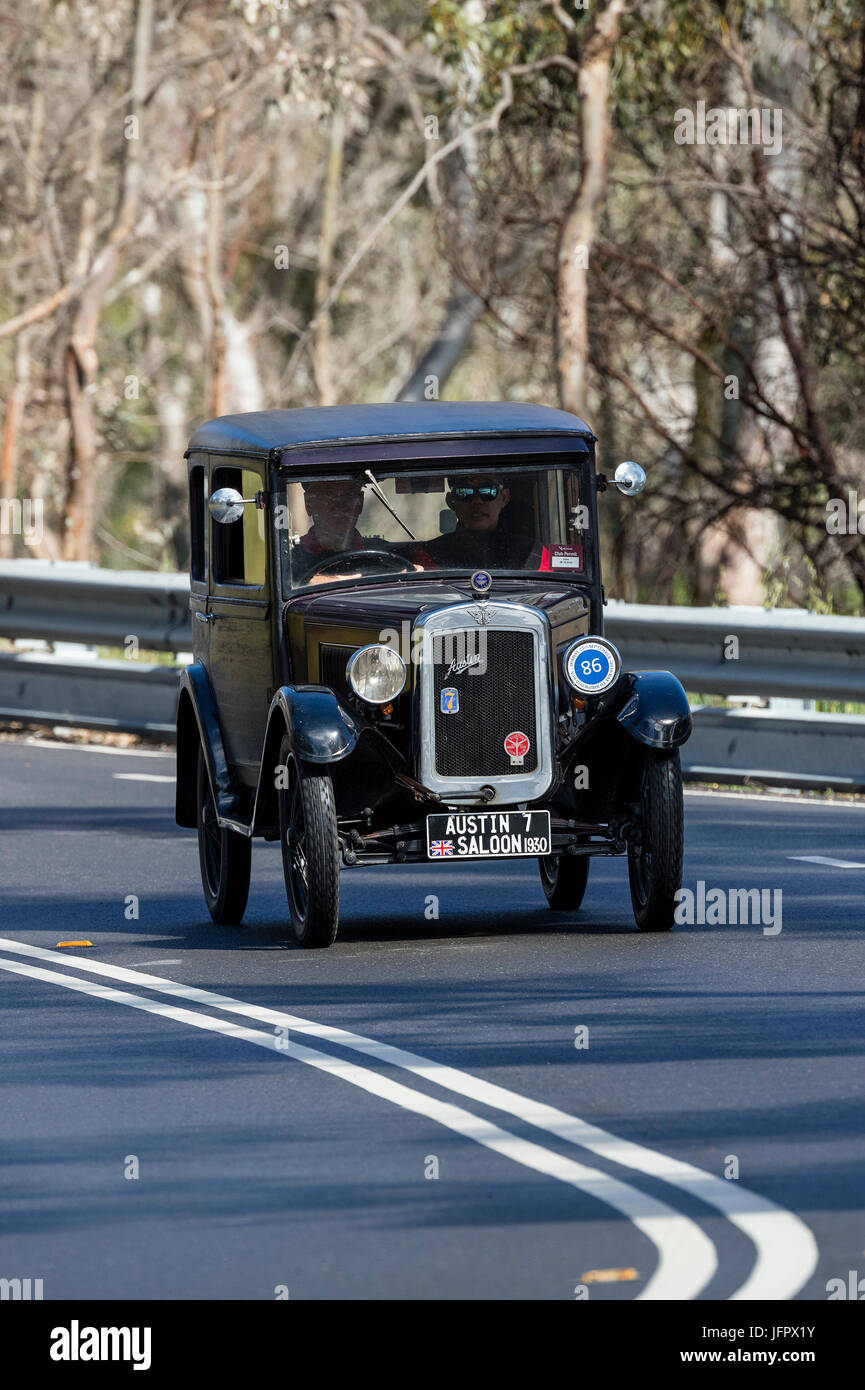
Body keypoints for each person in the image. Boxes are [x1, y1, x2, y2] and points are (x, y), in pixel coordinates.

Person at [408, 474, 551, 571]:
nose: (477, 501)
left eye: (487, 491)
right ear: (451, 501)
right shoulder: (427, 556)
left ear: (504, 498)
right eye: (464, 492)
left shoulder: (535, 554)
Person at [291, 479, 368, 584]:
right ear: (308, 503)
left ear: (360, 502)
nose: (339, 506)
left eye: (348, 496)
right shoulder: (291, 563)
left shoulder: (386, 556)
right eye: (328, 497)